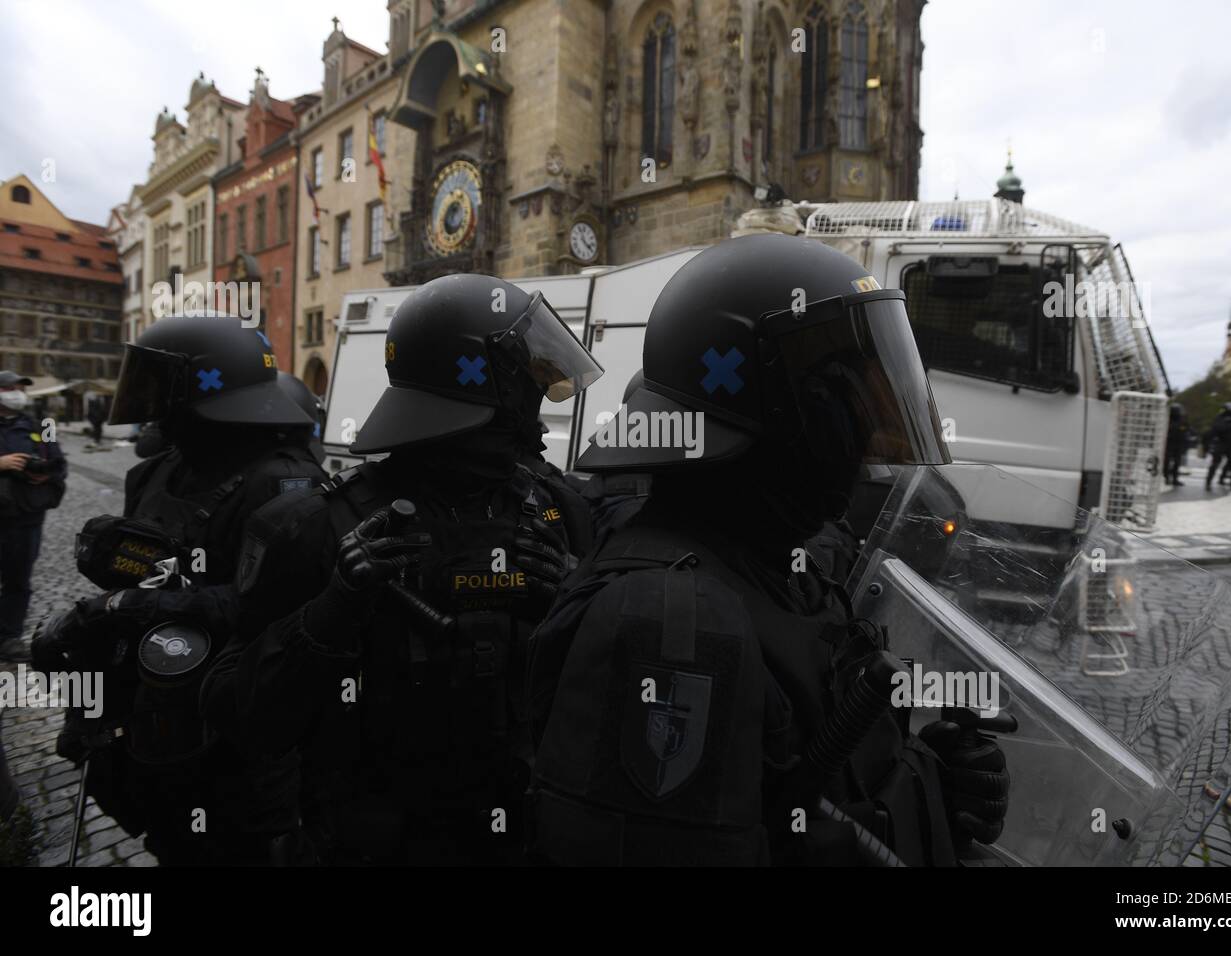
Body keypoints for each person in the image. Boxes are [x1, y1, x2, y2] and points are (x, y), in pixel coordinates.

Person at [527, 234, 1008, 866]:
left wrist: (928, 783)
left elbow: (804, 785)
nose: (865, 441)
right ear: (776, 412)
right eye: (849, 404)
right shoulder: (668, 620)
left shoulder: (783, 571)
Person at [203, 274, 603, 865]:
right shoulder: (314, 523)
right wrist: (330, 615)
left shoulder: (558, 508)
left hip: (523, 828)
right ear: (486, 387)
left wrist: (575, 603)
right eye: (530, 376)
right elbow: (239, 714)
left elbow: (606, 695)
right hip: (371, 840)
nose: (541, 397)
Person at [32, 315, 325, 865]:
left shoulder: (284, 482)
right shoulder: (154, 473)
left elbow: (268, 611)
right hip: (151, 712)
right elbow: (140, 577)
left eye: (155, 380)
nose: (144, 396)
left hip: (235, 730)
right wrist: (87, 696)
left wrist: (118, 608)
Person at [0, 370, 66, 662]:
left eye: (20, 387)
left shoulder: (42, 425)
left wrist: (45, 474)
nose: (17, 392)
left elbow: (59, 463)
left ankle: (9, 637)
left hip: (26, 515)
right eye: (9, 387)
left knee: (19, 579)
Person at [1205, 402, 1231, 492]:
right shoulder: (1220, 418)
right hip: (1222, 443)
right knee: (1215, 464)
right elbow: (1216, 429)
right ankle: (1208, 483)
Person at [1163, 402, 1188, 487]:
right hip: (1169, 444)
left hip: (1178, 444)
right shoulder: (1167, 421)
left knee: (1177, 462)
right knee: (1166, 462)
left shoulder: (1182, 421)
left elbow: (1186, 431)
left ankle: (1174, 479)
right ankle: (1166, 478)